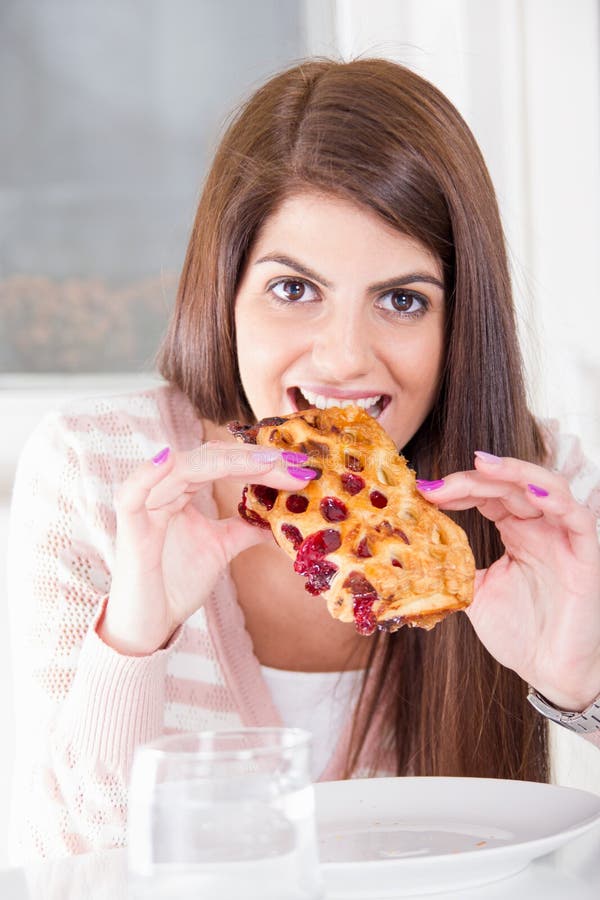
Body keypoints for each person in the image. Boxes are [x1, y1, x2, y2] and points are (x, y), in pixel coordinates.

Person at [8, 57, 600, 863]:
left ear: (459, 320)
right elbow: (74, 868)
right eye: (295, 290)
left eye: (402, 300)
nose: (346, 359)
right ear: (225, 290)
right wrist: (138, 636)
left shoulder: (535, 494)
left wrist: (582, 689)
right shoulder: (97, 472)